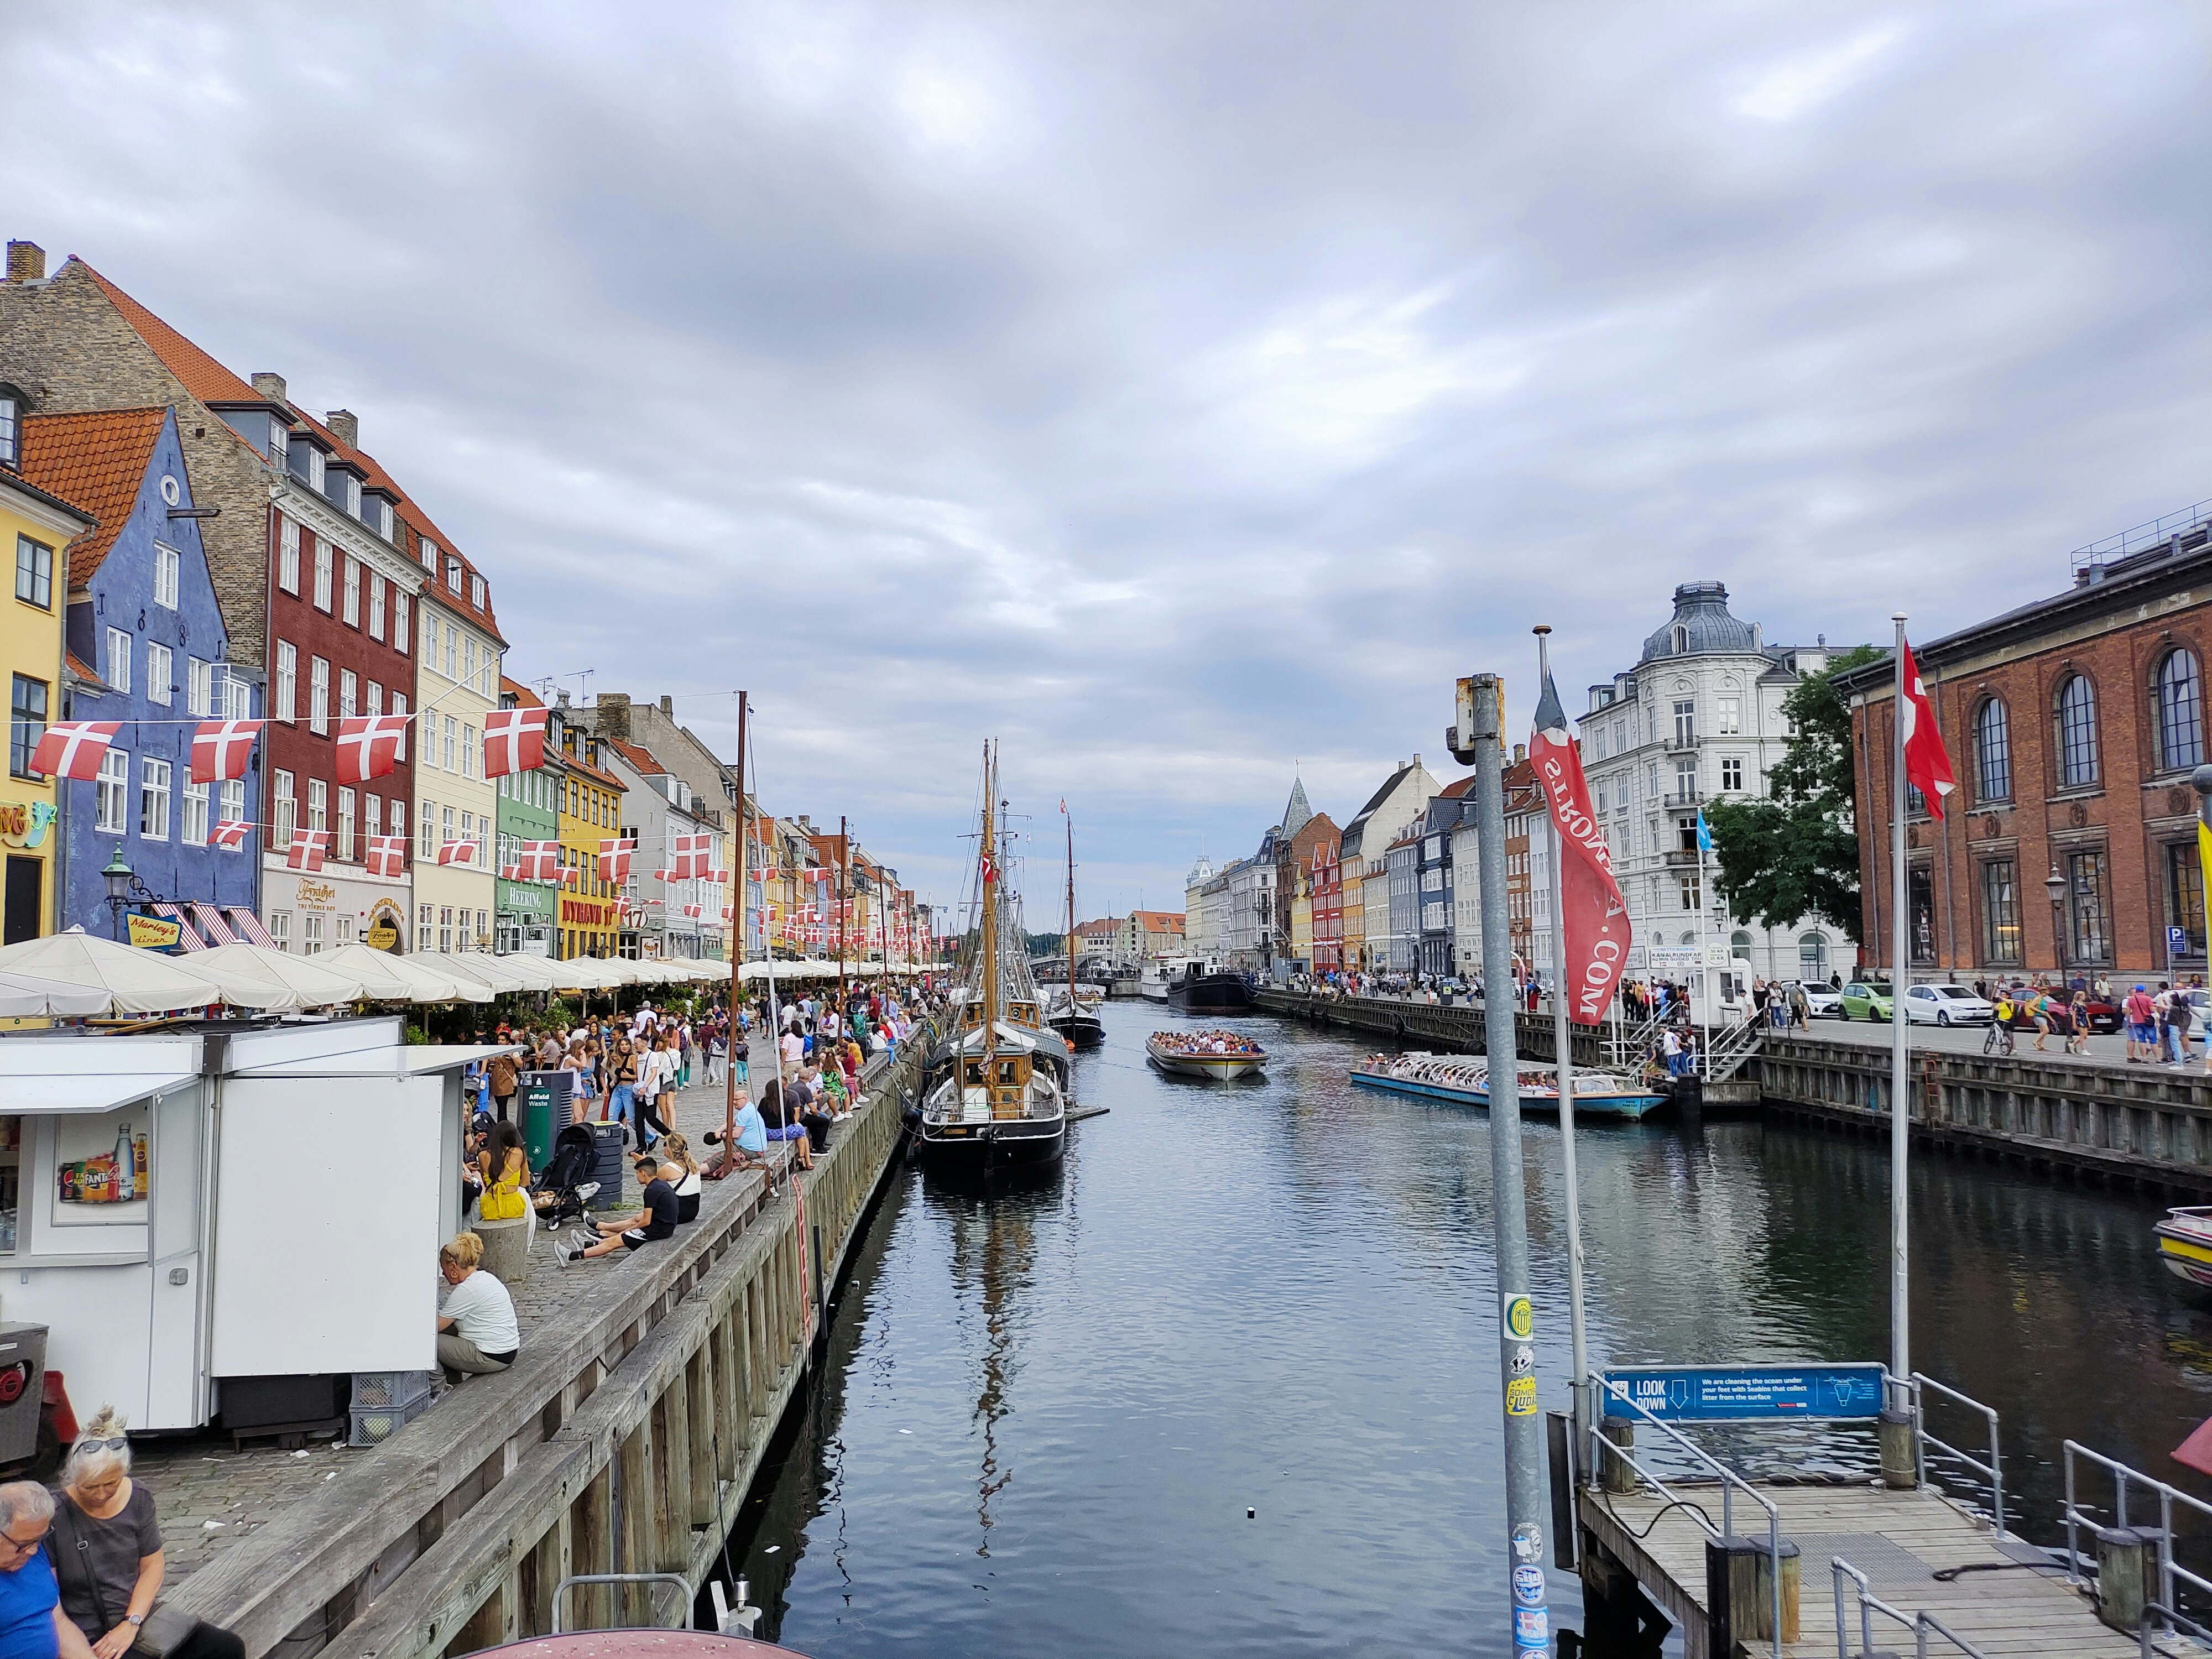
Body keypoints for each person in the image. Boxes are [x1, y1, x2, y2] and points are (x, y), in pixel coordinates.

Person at [49, 1413, 243, 1659]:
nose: (100, 1495)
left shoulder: (138, 1496)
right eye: (89, 1486)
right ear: (73, 1477)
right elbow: (49, 1602)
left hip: (139, 1619)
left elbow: (152, 1566)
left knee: (227, 1647)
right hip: (88, 1634)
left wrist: (132, 1622)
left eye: (111, 1484)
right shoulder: (54, 1514)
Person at [0, 1481, 92, 1659]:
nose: (34, 1551)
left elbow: (58, 1621)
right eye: (23, 1545)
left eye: (38, 1540)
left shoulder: (31, 1555)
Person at [564, 1156, 680, 1263]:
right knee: (617, 1238)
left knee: (615, 1241)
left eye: (637, 1173)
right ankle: (586, 1245)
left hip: (659, 1230)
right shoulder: (662, 1185)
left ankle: (570, 1256)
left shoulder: (651, 1191)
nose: (637, 1176)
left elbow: (646, 1221)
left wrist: (628, 1230)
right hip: (666, 1226)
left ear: (643, 1173)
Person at [436, 1234, 520, 1380]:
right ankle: (454, 1384)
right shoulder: (486, 1278)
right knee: (449, 1332)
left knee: (429, 1344)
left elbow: (435, 1328)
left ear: (454, 1267)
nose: (443, 1273)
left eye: (444, 1268)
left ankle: (439, 1389)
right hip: (507, 1352)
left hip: (490, 1356)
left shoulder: (467, 1290)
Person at [658, 1135, 704, 1223]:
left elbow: (652, 1185)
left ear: (670, 1148)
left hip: (676, 1213)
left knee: (639, 1219)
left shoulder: (668, 1168)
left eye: (665, 1144)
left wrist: (644, 1164)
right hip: (692, 1211)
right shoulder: (693, 1166)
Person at [487, 1047, 520, 1122]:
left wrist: (512, 1057)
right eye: (499, 1040)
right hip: (496, 1082)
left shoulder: (512, 1051)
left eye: (503, 1040)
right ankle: (503, 1122)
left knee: (502, 1104)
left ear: (507, 1041)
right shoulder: (495, 1051)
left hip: (506, 1082)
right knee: (499, 1104)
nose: (501, 1042)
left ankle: (502, 1123)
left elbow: (520, 1064)